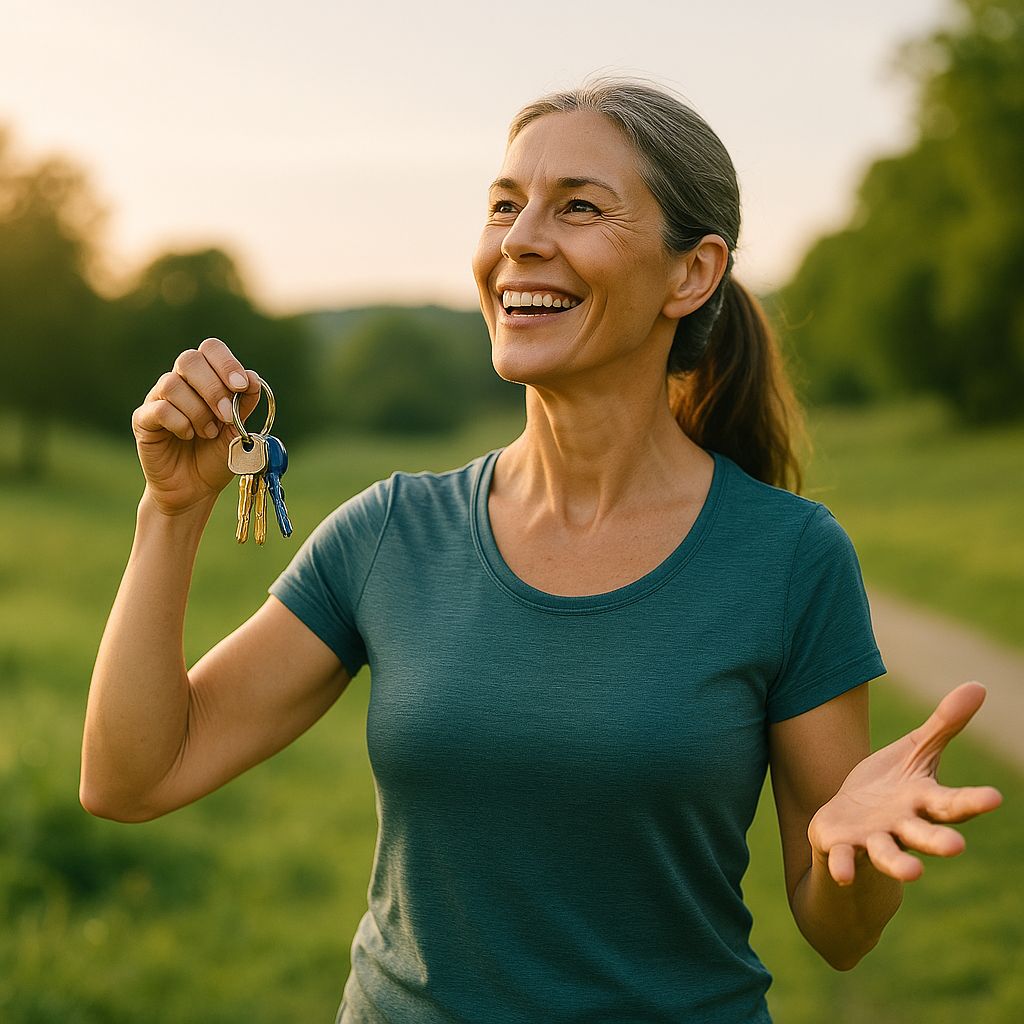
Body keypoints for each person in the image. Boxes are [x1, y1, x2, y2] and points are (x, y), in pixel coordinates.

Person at [81, 78, 1003, 1023]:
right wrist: (171, 511)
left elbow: (840, 935)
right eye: (504, 205)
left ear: (692, 274)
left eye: (578, 207)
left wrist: (849, 853)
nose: (520, 239)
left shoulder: (790, 558)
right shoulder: (391, 532)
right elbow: (134, 776)